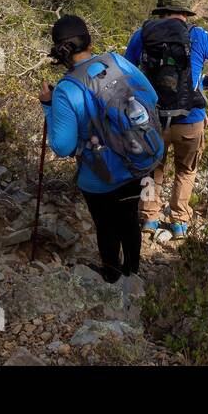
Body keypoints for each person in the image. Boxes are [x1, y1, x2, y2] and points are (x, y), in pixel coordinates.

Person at [40, 14, 165, 282]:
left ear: (59, 51)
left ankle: (112, 277)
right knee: (130, 218)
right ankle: (133, 273)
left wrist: (48, 106)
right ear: (89, 40)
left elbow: (63, 146)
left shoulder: (65, 89)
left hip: (100, 176)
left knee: (107, 227)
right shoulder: (117, 61)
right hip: (137, 158)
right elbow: (152, 97)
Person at [125, 0, 208, 240]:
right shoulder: (198, 36)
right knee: (186, 170)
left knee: (151, 168)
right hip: (190, 119)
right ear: (185, 12)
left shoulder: (143, 35)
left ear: (161, 11)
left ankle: (149, 217)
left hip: (152, 119)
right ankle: (179, 221)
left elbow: (127, 69)